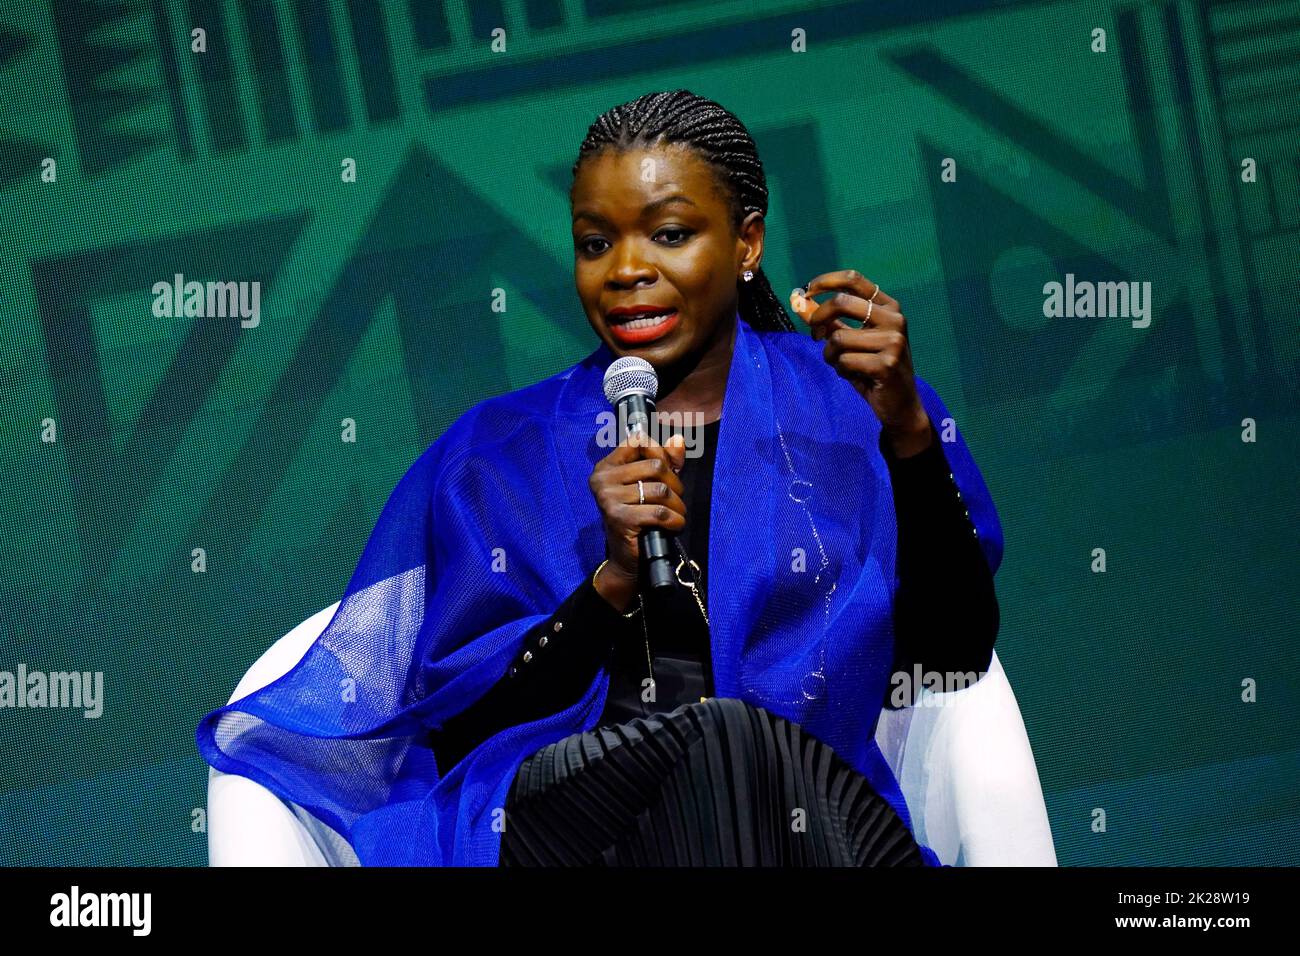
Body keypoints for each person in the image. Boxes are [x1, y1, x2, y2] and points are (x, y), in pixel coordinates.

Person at [196, 90, 1004, 867]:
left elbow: (953, 652)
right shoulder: (501, 452)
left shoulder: (846, 409)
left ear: (747, 243)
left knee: (749, 755)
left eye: (670, 234)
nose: (625, 269)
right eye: (595, 242)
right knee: (727, 742)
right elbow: (463, 726)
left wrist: (906, 435)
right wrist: (610, 583)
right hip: (572, 828)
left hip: (807, 823)